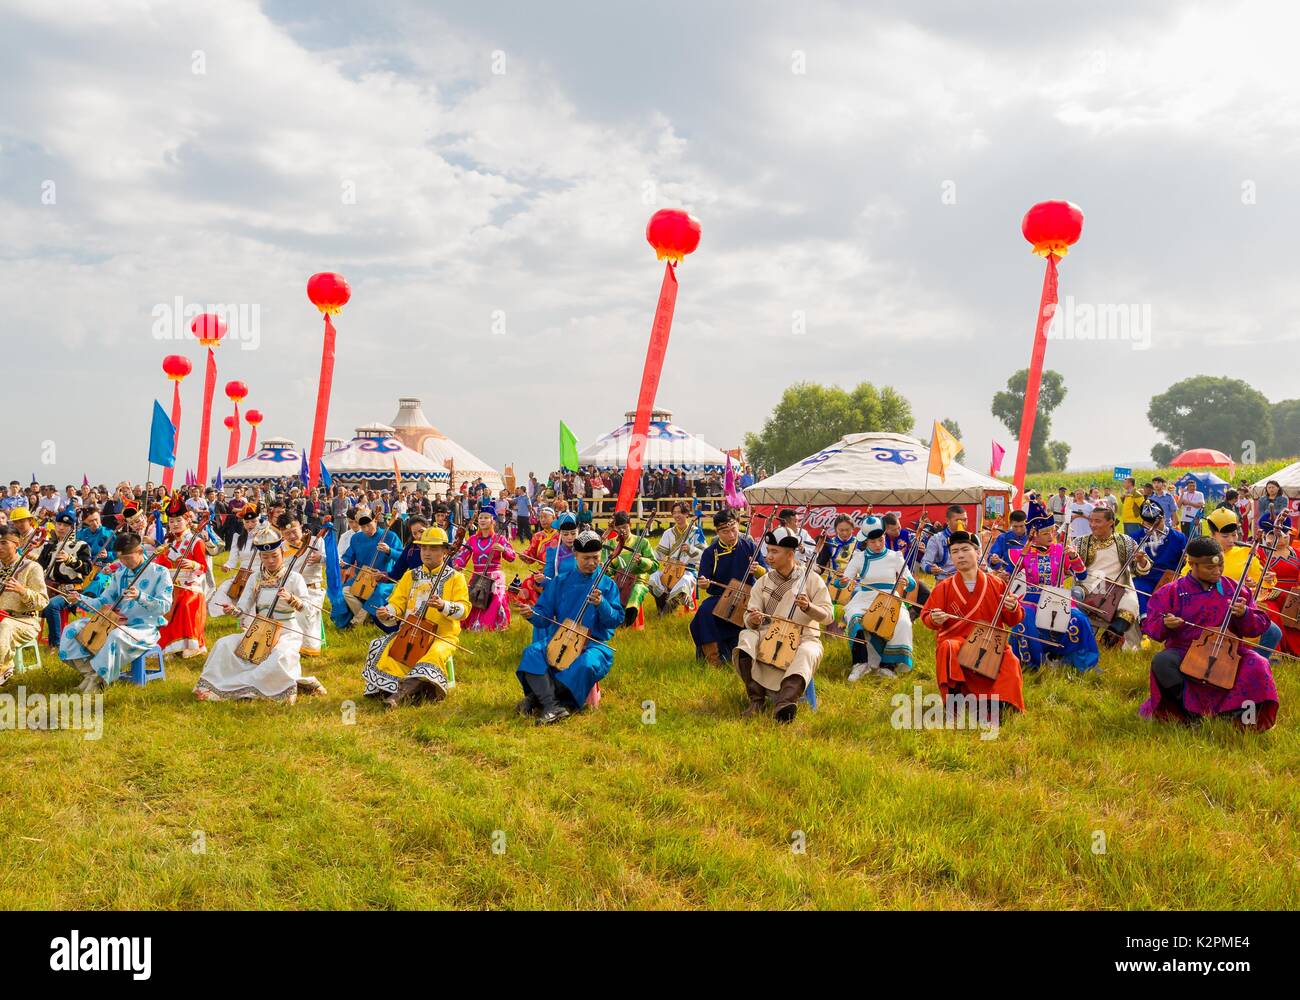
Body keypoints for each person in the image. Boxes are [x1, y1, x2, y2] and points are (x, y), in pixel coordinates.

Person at [1140, 536, 1278, 730]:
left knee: (1259, 664)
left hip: (1230, 652)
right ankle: (1189, 715)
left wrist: (1244, 614)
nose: (1217, 571)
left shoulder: (1235, 589)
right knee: (1162, 662)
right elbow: (1152, 628)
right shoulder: (1171, 591)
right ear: (1191, 564)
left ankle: (1236, 718)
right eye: (1209, 567)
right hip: (1185, 651)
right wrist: (1165, 624)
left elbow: (1258, 625)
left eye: (1220, 565)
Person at [196, 526, 326, 704]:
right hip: (259, 631)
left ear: (282, 552)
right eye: (265, 557)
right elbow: (242, 608)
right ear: (260, 557)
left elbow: (309, 609)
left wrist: (292, 599)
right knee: (223, 644)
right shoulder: (255, 578)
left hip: (287, 632)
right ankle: (219, 687)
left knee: (280, 655)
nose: (270, 560)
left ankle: (273, 688)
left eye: (274, 555)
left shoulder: (295, 578)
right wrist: (233, 610)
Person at [515, 529, 621, 725]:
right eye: (586, 558)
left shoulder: (607, 584)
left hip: (593, 643)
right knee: (532, 652)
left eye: (596, 558)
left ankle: (540, 700)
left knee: (587, 664)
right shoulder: (561, 581)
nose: (591, 563)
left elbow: (615, 620)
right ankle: (551, 705)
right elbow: (544, 616)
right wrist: (532, 614)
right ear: (575, 555)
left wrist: (602, 604)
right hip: (562, 639)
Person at [919, 530, 1026, 717]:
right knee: (947, 647)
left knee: (1010, 659)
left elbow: (1013, 620)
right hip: (957, 640)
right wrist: (933, 619)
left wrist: (1012, 607)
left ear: (978, 552)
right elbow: (927, 617)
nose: (960, 555)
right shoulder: (943, 587)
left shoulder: (997, 584)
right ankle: (955, 700)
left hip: (989, 643)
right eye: (954, 551)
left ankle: (1001, 704)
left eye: (965, 549)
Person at [734, 526, 834, 723]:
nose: (768, 556)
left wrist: (809, 608)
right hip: (768, 633)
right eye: (768, 551)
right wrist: (752, 619)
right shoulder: (762, 581)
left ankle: (785, 703)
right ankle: (756, 700)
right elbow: (749, 614)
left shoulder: (812, 579)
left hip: (804, 636)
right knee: (746, 638)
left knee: (808, 652)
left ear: (790, 554)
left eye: (774, 551)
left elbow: (828, 616)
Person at [363, 526, 469, 707]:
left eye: (433, 548)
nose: (427, 553)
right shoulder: (410, 576)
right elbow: (397, 603)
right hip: (410, 632)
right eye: (424, 548)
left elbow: (464, 610)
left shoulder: (455, 578)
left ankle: (398, 697)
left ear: (445, 551)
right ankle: (404, 690)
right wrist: (388, 611)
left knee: (434, 654)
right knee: (380, 645)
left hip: (442, 635)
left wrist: (443, 605)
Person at [60, 532, 173, 691]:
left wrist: (140, 596)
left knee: (116, 635)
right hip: (114, 622)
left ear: (140, 551)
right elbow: (102, 602)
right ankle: (91, 674)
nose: (123, 562)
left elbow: (165, 606)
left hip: (144, 627)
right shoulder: (119, 573)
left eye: (127, 558)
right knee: (71, 629)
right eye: (120, 558)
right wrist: (80, 598)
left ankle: (99, 679)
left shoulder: (160, 572)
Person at [1007, 514, 1099, 672]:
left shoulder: (1061, 550)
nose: (1051, 536)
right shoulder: (1024, 552)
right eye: (1045, 533)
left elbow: (1082, 575)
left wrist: (1073, 556)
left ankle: (1077, 662)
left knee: (1080, 619)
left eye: (1053, 531)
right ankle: (1032, 665)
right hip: (1031, 600)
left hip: (1058, 598)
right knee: (1023, 618)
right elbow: (1009, 573)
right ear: (1034, 535)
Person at [839, 516, 916, 680]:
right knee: (855, 618)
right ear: (866, 541)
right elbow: (844, 581)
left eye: (881, 540)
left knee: (903, 622)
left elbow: (911, 584)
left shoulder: (895, 556)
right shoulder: (859, 557)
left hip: (890, 598)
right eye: (873, 542)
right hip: (864, 597)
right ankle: (860, 664)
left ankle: (888, 666)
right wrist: (841, 582)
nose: (878, 545)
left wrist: (907, 582)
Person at [690, 508, 766, 666]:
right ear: (717, 531)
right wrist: (704, 583)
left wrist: (757, 570)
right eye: (725, 532)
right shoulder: (710, 553)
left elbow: (767, 577)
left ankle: (750, 655)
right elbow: (704, 579)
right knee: (704, 612)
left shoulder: (751, 547)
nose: (731, 535)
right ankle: (714, 659)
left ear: (738, 524)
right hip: (721, 596)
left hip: (748, 597)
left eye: (734, 529)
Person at [1074, 506, 1149, 649]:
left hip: (1121, 588)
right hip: (1090, 587)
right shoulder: (1080, 542)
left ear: (1111, 523)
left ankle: (1108, 642)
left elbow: (1141, 570)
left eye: (1098, 521)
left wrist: (1141, 560)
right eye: (1091, 521)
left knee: (1129, 607)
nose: (1092, 525)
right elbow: (1070, 568)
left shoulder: (1125, 541)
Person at [451, 506, 517, 631]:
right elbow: (462, 556)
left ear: (493, 521)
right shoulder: (472, 540)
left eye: (486, 518)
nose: (482, 520)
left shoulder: (500, 539)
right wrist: (458, 565)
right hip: (478, 576)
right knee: (473, 600)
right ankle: (474, 624)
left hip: (495, 576)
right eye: (481, 517)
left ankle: (491, 625)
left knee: (496, 597)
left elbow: (512, 557)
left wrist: (504, 550)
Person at [155, 512, 209, 659]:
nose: (175, 524)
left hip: (190, 585)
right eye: (171, 521)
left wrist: (193, 564)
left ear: (187, 521)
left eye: (179, 520)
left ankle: (191, 644)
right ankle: (168, 645)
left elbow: (203, 568)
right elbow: (158, 567)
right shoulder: (169, 544)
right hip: (170, 585)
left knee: (185, 603)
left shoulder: (196, 542)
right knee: (162, 604)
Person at [0, 524, 49, 687]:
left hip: (24, 621)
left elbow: (42, 602)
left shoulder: (32, 567)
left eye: (3, 542)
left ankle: (4, 667)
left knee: (5, 625)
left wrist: (23, 591)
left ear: (17, 544)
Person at [36, 512, 93, 647]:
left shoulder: (81, 545)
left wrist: (70, 560)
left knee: (52, 605)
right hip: (49, 588)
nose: (61, 528)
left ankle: (55, 644)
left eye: (65, 525)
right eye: (59, 524)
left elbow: (87, 569)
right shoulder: (50, 546)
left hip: (71, 591)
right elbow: (38, 567)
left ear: (72, 528)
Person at [340, 510, 404, 627]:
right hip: (362, 577)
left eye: (368, 525)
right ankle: (367, 620)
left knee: (378, 592)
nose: (365, 529)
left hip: (384, 578)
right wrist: (344, 562)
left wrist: (389, 551)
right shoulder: (356, 538)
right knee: (345, 591)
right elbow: (349, 556)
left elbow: (402, 558)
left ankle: (357, 622)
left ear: (375, 520)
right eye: (362, 526)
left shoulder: (390, 536)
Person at [1131, 501, 1187, 619]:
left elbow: (1184, 564)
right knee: (1138, 587)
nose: (1153, 528)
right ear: (1143, 523)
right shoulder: (1135, 537)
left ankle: (1166, 620)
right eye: (1149, 524)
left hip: (1169, 578)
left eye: (1157, 523)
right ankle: (1145, 621)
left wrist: (1186, 560)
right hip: (1145, 578)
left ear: (1163, 518)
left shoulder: (1178, 538)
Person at [603, 510, 658, 629]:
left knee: (636, 591)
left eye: (625, 527)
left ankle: (628, 620)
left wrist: (641, 561)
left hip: (638, 580)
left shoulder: (642, 542)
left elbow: (654, 565)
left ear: (630, 525)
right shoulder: (611, 544)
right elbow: (609, 570)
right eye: (619, 528)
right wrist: (606, 569)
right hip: (617, 579)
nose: (622, 530)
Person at [648, 502, 706, 613]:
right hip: (670, 570)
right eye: (674, 513)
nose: (677, 515)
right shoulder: (668, 533)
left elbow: (705, 554)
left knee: (684, 581)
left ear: (686, 514)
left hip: (689, 570)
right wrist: (647, 558)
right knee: (653, 579)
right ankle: (662, 606)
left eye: (680, 512)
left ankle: (668, 610)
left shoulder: (696, 532)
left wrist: (690, 550)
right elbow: (659, 553)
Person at [1257, 512, 1300, 658]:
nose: (1280, 537)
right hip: (1269, 594)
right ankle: (1276, 652)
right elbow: (1253, 576)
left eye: (1284, 533)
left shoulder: (1297, 553)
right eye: (1274, 534)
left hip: (1294, 595)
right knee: (1270, 612)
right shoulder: (1259, 552)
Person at [921, 505, 967, 582]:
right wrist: (930, 568)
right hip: (944, 581)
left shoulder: (973, 538)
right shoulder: (936, 539)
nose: (962, 523)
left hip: (967, 581)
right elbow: (925, 562)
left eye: (965, 520)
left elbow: (980, 562)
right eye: (958, 520)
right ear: (947, 521)